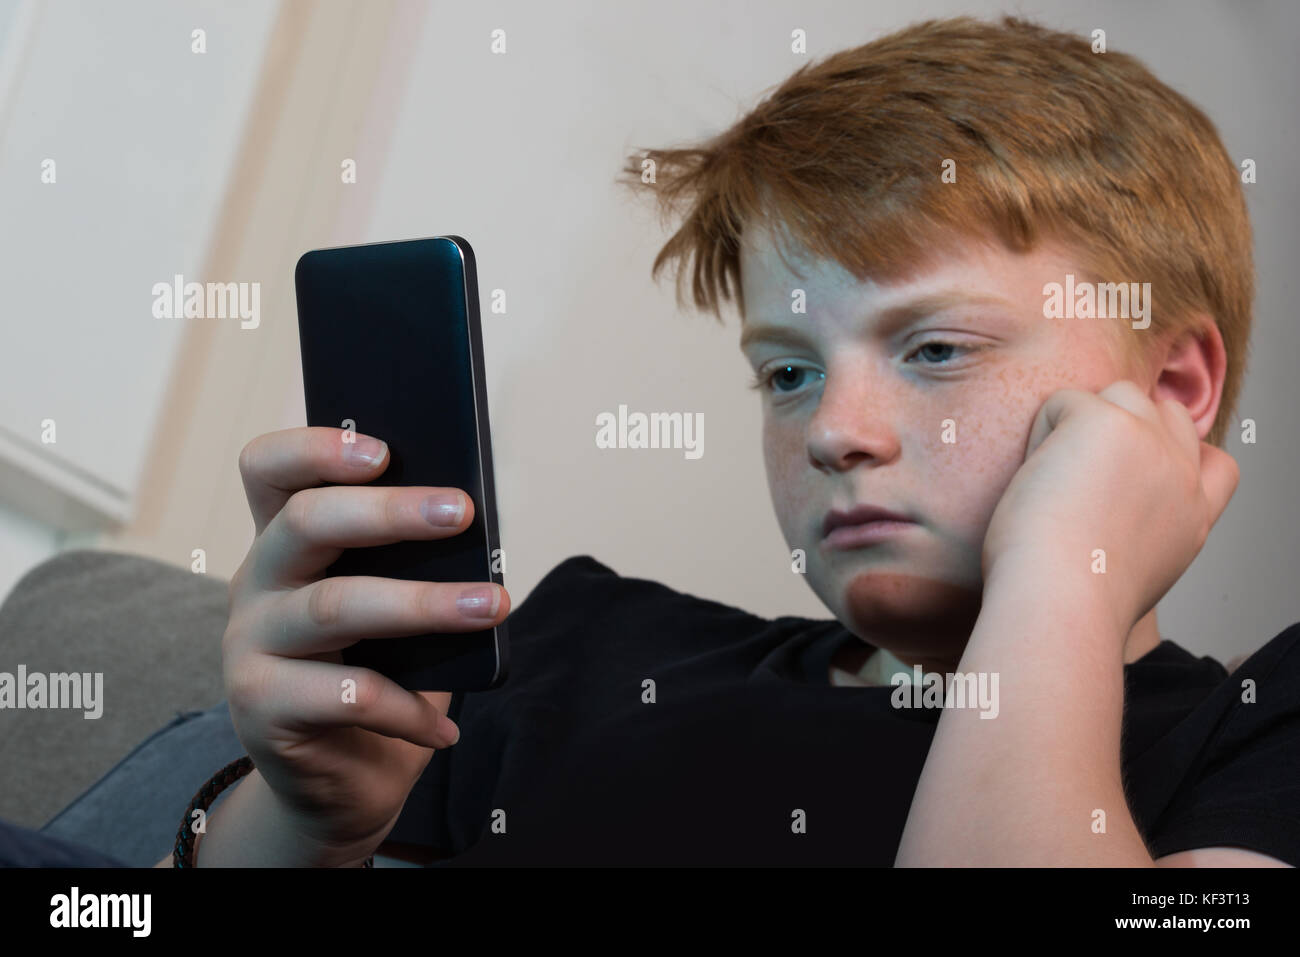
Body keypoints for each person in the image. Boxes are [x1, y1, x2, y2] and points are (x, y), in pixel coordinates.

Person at [12, 14, 1296, 868]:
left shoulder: (1254, 734)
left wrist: (1061, 571)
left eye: (934, 351)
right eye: (786, 372)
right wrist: (303, 820)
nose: (836, 431)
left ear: (1174, 387)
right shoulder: (577, 645)